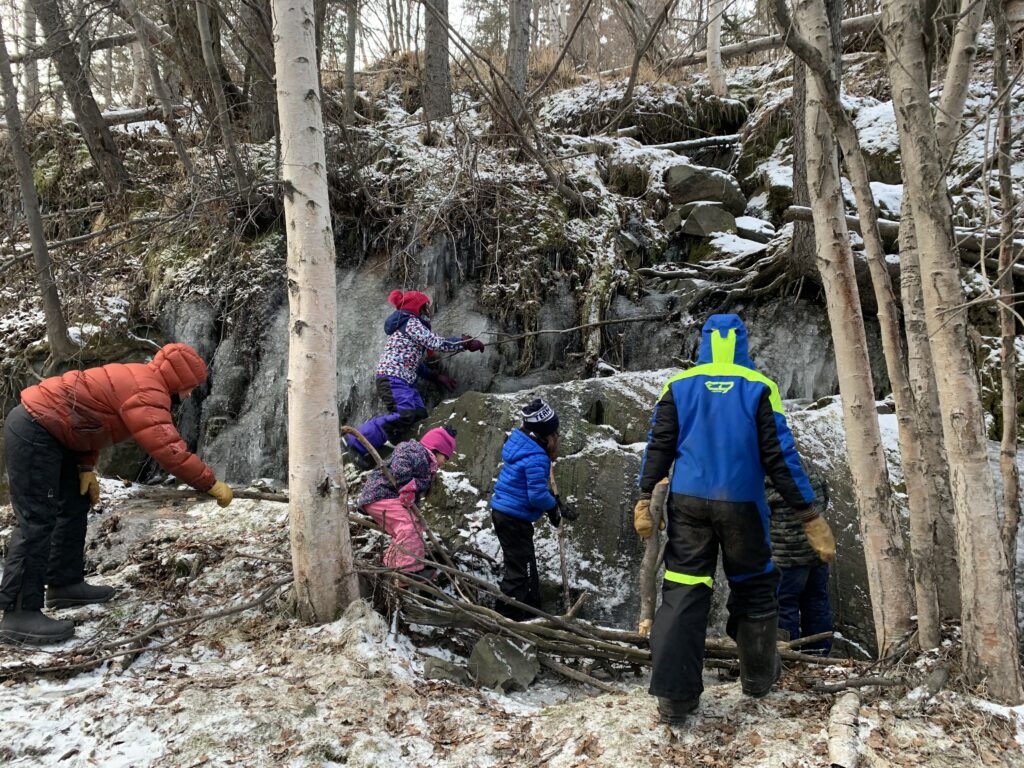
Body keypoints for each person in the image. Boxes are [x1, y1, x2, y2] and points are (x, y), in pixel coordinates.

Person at [634, 314, 835, 726]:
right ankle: (758, 679)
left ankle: (675, 697)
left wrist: (644, 493)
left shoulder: (679, 386)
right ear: (743, 343)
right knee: (756, 587)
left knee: (684, 590)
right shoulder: (759, 387)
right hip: (743, 503)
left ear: (703, 343)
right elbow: (780, 457)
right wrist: (808, 513)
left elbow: (659, 444)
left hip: (688, 503)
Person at [0, 343, 234, 646]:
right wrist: (209, 483)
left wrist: (86, 466)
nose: (189, 395)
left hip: (57, 434)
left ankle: (64, 584)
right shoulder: (148, 391)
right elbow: (168, 449)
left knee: (72, 506)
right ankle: (18, 613)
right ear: (177, 379)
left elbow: (88, 420)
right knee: (36, 520)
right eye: (189, 388)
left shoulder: (139, 379)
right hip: (35, 429)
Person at [346, 290, 484, 469]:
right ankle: (357, 441)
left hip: (402, 380)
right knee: (405, 414)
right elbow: (435, 343)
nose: (428, 308)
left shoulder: (408, 326)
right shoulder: (411, 322)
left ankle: (392, 446)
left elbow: (411, 363)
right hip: (392, 378)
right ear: (416, 307)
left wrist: (435, 376)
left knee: (419, 414)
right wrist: (464, 342)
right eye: (425, 305)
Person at [489, 399, 576, 620]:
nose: (558, 437)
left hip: (506, 514)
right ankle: (503, 620)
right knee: (520, 573)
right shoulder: (536, 457)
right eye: (555, 433)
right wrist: (552, 507)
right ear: (545, 435)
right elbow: (536, 495)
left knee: (527, 568)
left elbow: (535, 487)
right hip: (512, 518)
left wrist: (555, 502)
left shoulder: (523, 447)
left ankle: (531, 613)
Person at [357, 427, 457, 575]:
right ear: (436, 449)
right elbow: (400, 462)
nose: (445, 462)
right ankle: (407, 573)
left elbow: (414, 495)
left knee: (412, 527)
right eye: (446, 457)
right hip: (381, 493)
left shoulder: (427, 467)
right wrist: (406, 486)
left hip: (387, 497)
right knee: (408, 526)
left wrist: (414, 507)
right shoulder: (414, 450)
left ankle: (391, 567)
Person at [767, 469, 833, 655]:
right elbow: (824, 500)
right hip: (816, 551)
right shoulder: (809, 471)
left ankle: (787, 656)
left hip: (787, 558)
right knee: (817, 603)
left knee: (784, 606)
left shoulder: (768, 480)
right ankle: (819, 656)